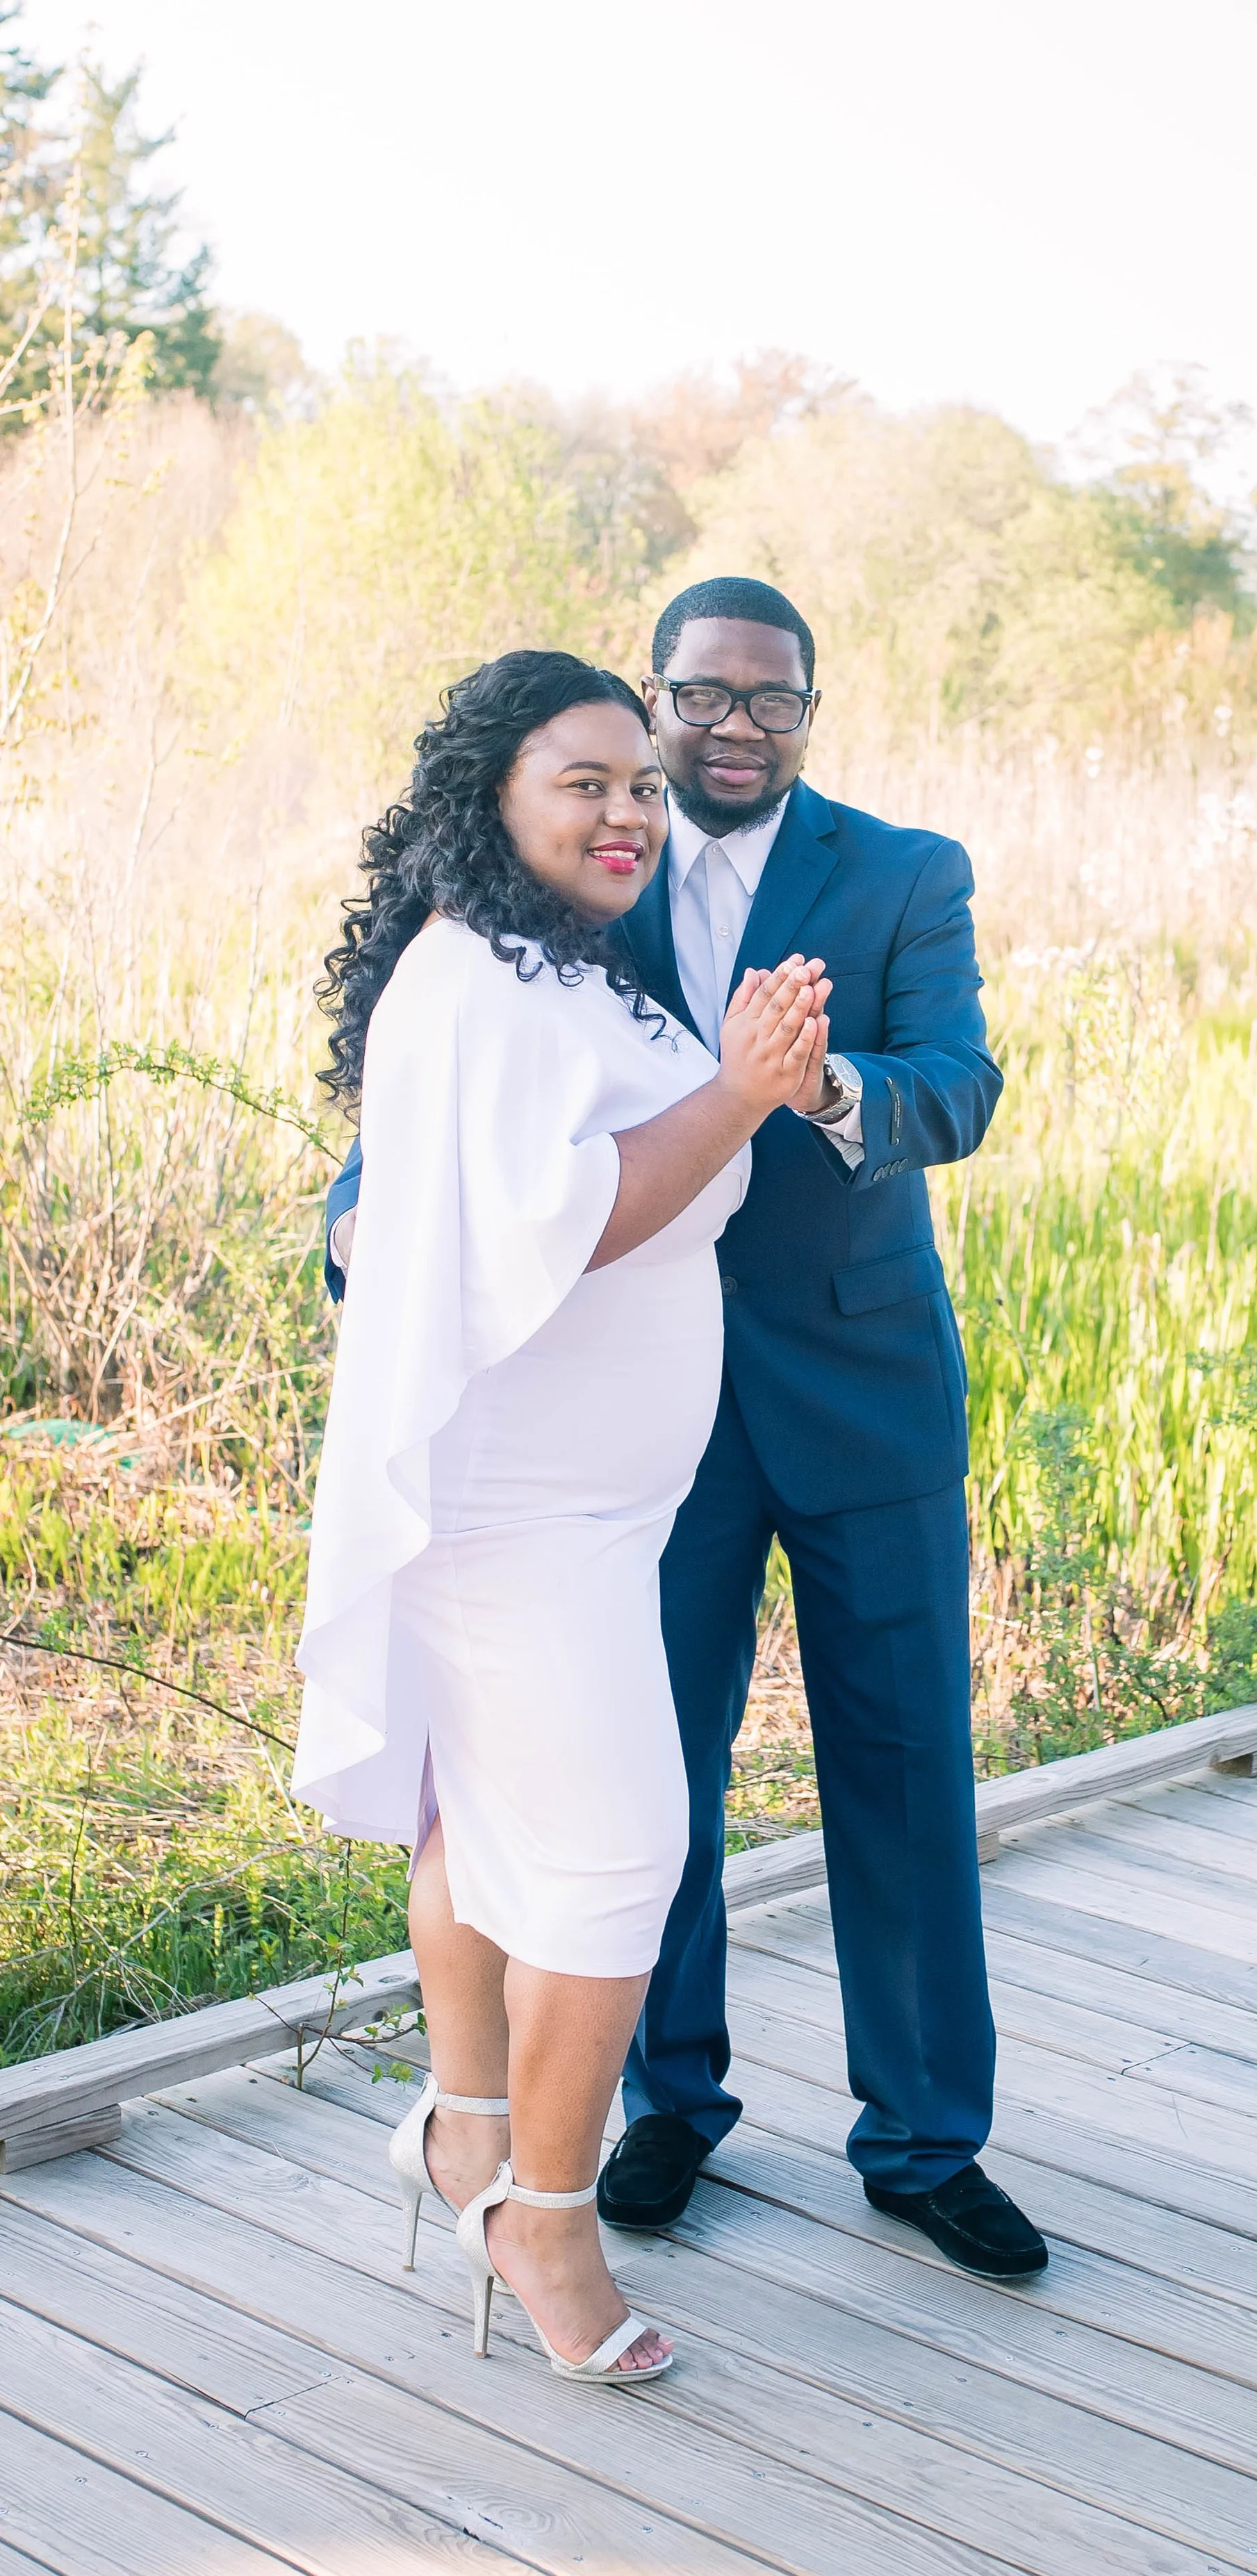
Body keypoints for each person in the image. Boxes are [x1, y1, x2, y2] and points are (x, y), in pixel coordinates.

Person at [328, 581, 1048, 2281]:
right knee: (656, 1770)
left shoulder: (899, 873)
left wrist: (824, 1084)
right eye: (701, 699)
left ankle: (925, 2139)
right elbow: (454, 1086)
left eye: (771, 702)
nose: (734, 728)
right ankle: (670, 2107)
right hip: (629, 1431)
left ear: (812, 711)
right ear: (654, 705)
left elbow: (957, 1079)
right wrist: (366, 1223)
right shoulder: (574, 875)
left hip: (860, 1388)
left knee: (905, 1766)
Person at [295, 649, 828, 2383]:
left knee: (494, 1819)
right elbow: (577, 1216)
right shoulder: (476, 979)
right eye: (581, 783)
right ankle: (545, 2207)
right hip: (520, 1512)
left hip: (586, 1502)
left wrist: (748, 1078)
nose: (624, 813)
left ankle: (459, 2128)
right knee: (614, 1860)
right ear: (492, 797)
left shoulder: (562, 971)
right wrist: (743, 1087)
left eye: (640, 787)